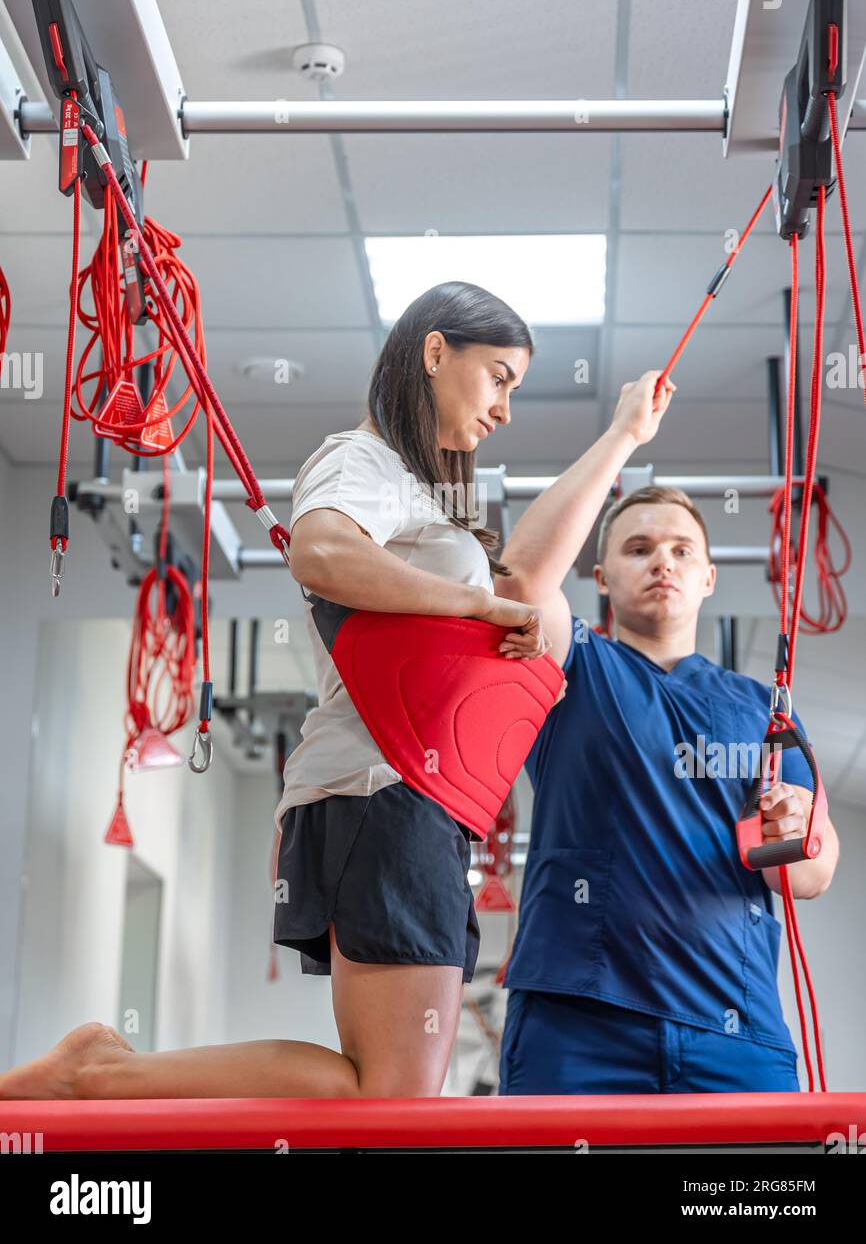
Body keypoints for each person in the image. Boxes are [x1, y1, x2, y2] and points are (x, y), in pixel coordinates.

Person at [0, 280, 670, 1101]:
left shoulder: (417, 495)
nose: (504, 408)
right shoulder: (363, 460)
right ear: (435, 352)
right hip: (383, 791)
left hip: (398, 798)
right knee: (390, 1097)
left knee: (384, 1093)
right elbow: (319, 552)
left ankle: (102, 1070)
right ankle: (99, 1071)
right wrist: (471, 600)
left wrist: (622, 436)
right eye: (498, 376)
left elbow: (527, 576)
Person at [494, 479, 841, 1095]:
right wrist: (627, 431)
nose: (662, 561)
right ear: (599, 577)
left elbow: (810, 877)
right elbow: (519, 580)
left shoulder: (765, 709)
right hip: (578, 1024)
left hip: (735, 1028)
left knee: (752, 1196)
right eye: (639, 548)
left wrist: (800, 826)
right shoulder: (572, 667)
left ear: (709, 577)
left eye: (682, 550)